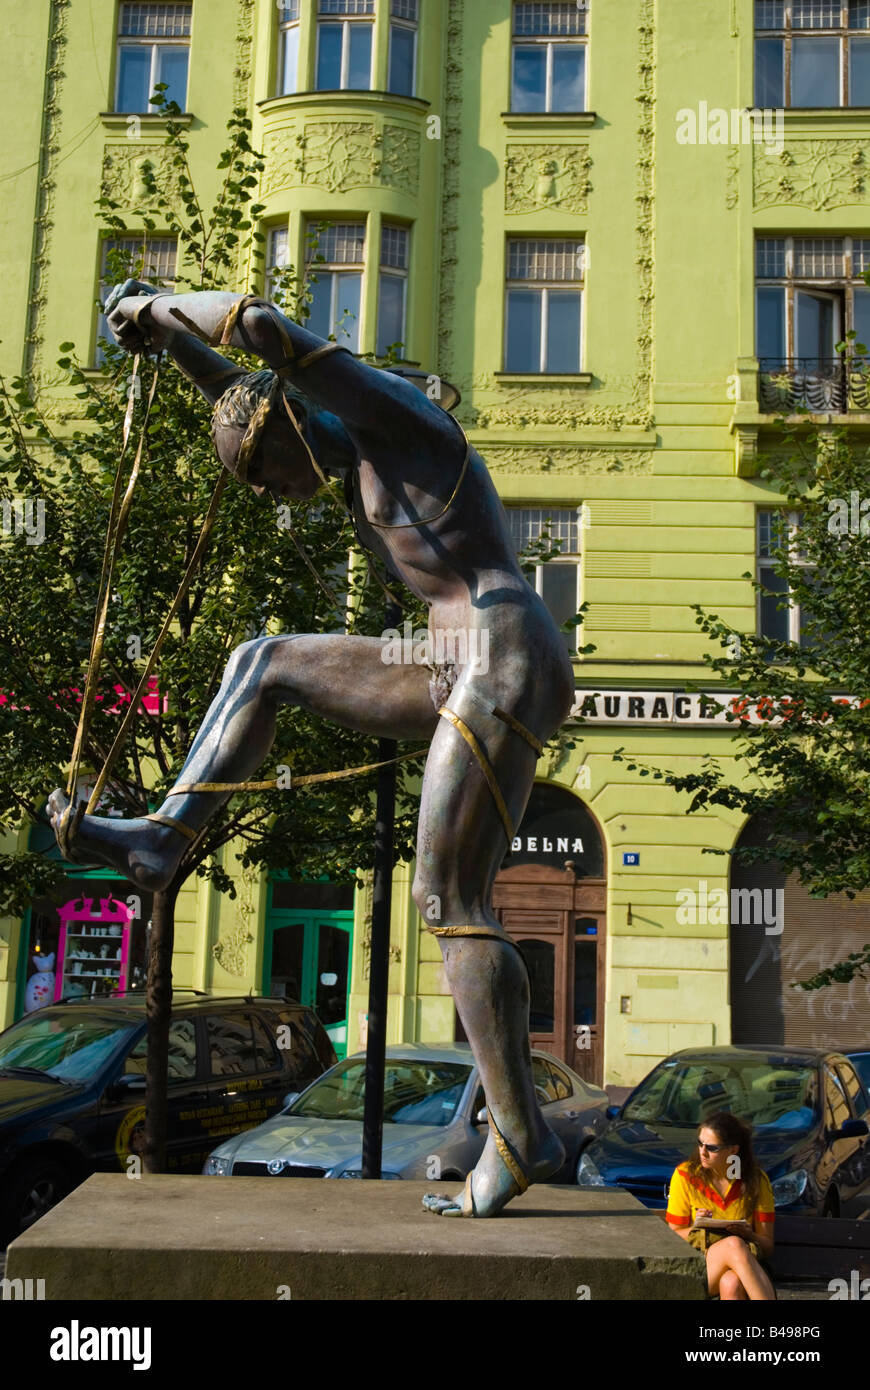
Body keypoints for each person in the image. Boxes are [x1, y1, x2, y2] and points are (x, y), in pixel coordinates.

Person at [47, 280, 577, 1219]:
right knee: (264, 660)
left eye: (262, 476)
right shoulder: (332, 442)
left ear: (290, 431)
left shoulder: (394, 418)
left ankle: (521, 1130)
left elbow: (257, 329)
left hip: (503, 652)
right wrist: (165, 339)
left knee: (448, 897)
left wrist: (168, 300)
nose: (271, 496)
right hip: (438, 659)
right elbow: (243, 388)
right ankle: (162, 838)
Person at [666, 1110, 776, 1300]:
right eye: (700, 1143)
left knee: (731, 1282)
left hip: (744, 1267)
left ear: (733, 1150)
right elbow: (673, 1236)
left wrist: (750, 1235)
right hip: (696, 1267)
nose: (702, 1152)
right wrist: (697, 1225)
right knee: (733, 1244)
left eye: (712, 1148)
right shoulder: (685, 1176)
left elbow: (767, 1246)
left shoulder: (756, 1181)